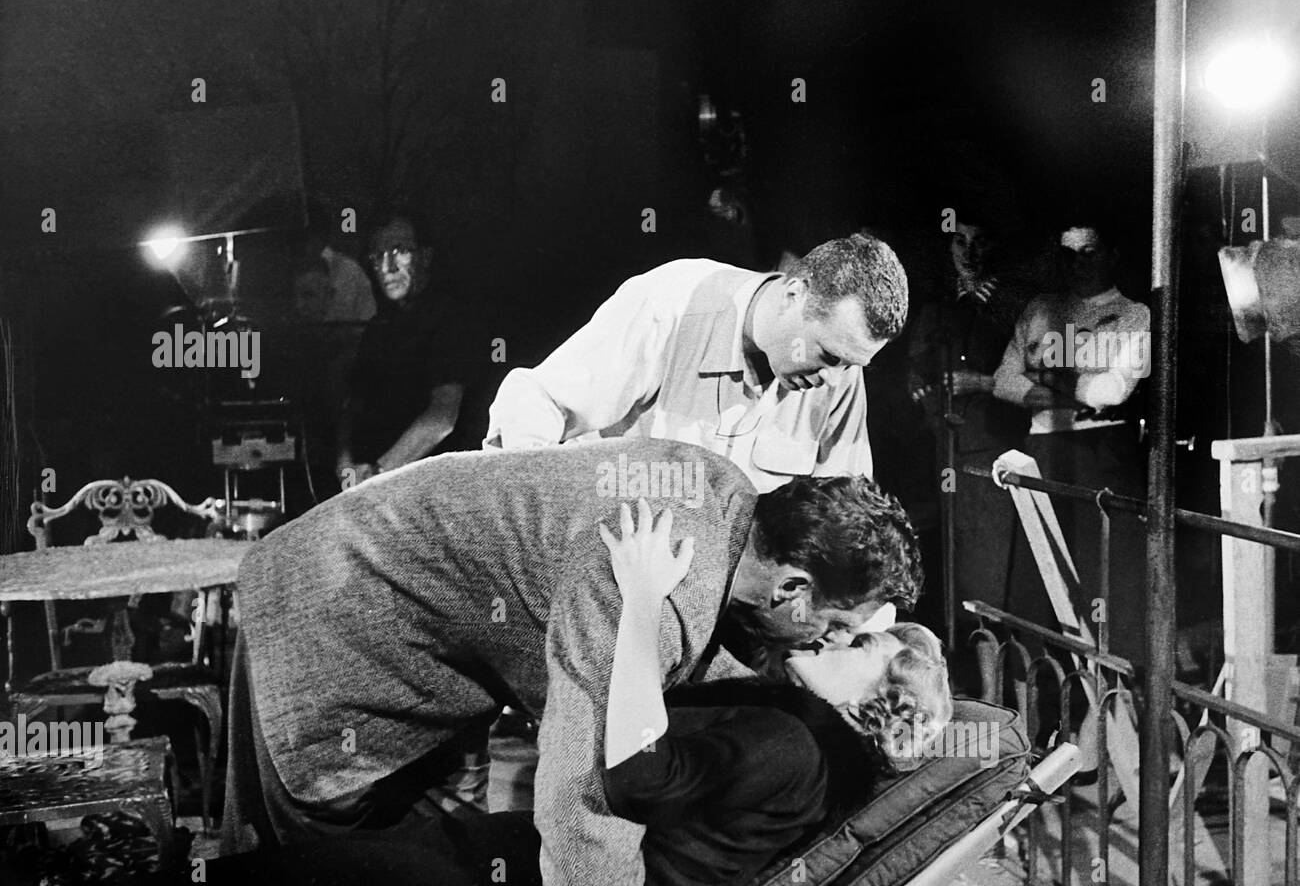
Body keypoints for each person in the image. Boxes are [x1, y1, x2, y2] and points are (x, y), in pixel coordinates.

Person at [28, 502, 945, 886]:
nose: (843, 634)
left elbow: (632, 774)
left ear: (871, 703)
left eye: (864, 642)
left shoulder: (787, 748)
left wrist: (636, 604)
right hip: (514, 880)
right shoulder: (794, 735)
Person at [221, 436, 922, 886]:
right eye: (834, 629)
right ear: (792, 587)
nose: (827, 647)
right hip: (328, 613)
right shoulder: (657, 570)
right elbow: (586, 789)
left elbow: (706, 654)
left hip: (427, 645)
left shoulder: (735, 505)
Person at [483, 233, 910, 492]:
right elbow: (534, 400)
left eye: (852, 365)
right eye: (828, 355)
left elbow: (843, 515)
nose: (832, 378)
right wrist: (536, 520)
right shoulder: (669, 302)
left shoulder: (842, 373)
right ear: (794, 294)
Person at [993, 215, 1150, 656]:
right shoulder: (1040, 308)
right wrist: (1073, 391)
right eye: (1068, 254)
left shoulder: (1134, 315)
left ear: (1111, 256)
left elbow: (1110, 391)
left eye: (1089, 252)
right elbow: (1003, 380)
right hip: (1041, 452)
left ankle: (1110, 705)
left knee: (1104, 584)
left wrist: (1048, 379)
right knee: (1035, 582)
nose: (1078, 264)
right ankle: (1032, 701)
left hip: (1102, 457)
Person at [906, 213, 1030, 634]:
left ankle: (1004, 676)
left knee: (993, 571)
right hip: (948, 450)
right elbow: (914, 373)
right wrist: (920, 392)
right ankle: (968, 671)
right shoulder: (937, 310)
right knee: (955, 565)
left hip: (995, 450)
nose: (969, 252)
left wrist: (981, 382)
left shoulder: (1016, 305)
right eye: (960, 242)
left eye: (979, 241)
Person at [335, 211, 488, 488]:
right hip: (373, 483)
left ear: (425, 257)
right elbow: (352, 406)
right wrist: (344, 463)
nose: (387, 266)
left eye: (400, 251)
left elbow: (442, 417)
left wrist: (379, 473)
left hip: (435, 487)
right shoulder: (378, 327)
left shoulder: (452, 319)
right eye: (377, 255)